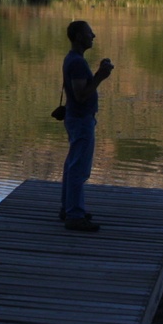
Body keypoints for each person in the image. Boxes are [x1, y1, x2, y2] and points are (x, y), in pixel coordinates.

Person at [60, 19, 112, 232]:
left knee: (73, 165)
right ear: (80, 36)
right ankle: (74, 215)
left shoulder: (72, 59)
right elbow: (81, 95)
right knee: (78, 169)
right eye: (90, 33)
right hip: (81, 119)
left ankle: (69, 209)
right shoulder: (77, 63)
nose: (93, 36)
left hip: (76, 118)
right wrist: (101, 75)